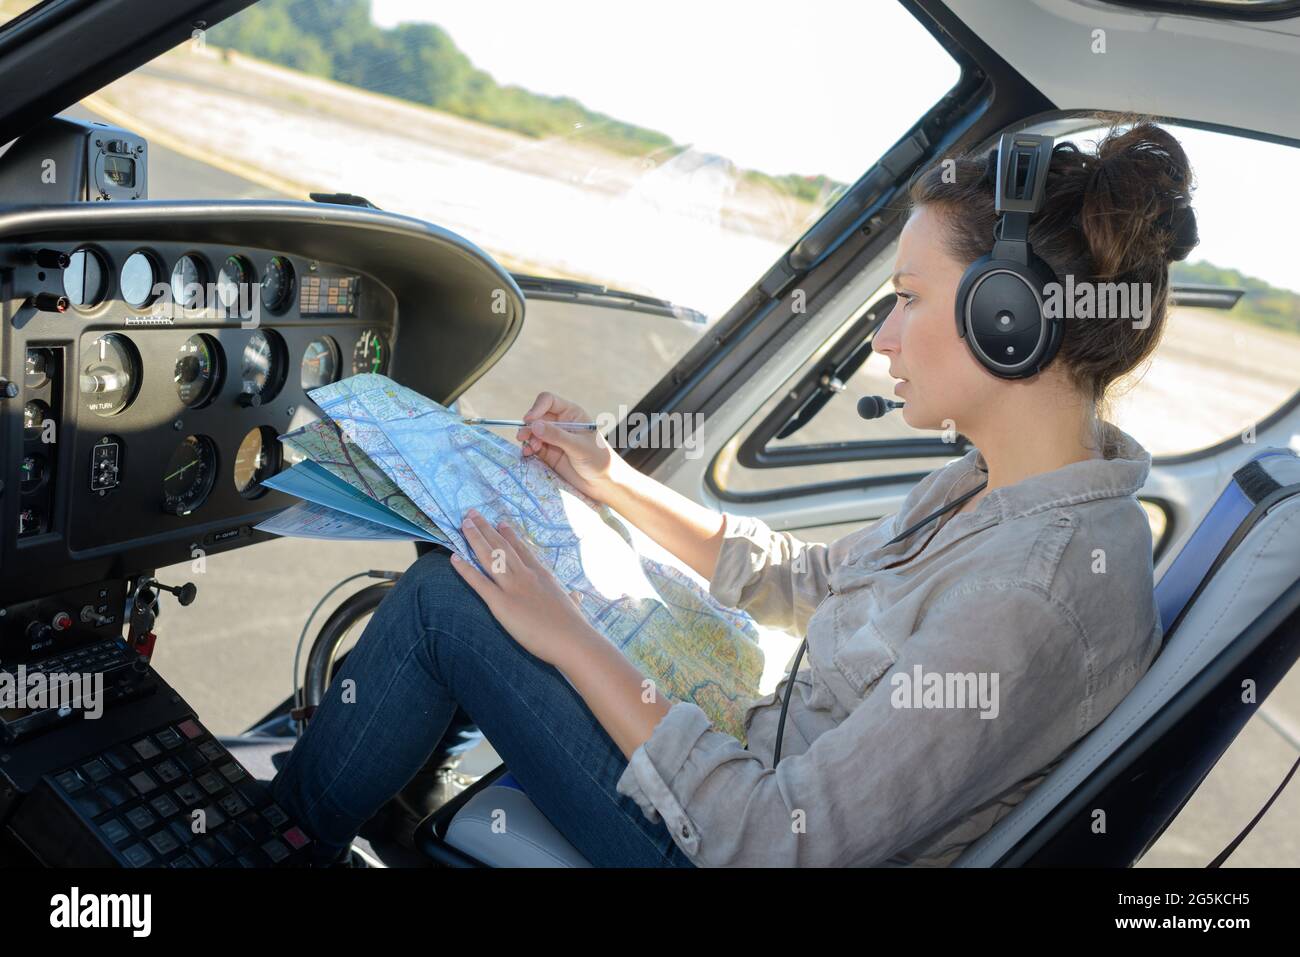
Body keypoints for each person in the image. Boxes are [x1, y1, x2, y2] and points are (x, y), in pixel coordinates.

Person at [270, 119, 1198, 867]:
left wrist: (565, 632)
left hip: (729, 834)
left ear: (1009, 321)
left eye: (909, 297)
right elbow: (806, 581)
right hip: (753, 759)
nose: (883, 337)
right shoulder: (999, 489)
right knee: (488, 561)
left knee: (447, 600)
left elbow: (770, 838)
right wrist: (612, 482)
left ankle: (264, 848)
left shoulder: (1028, 595)